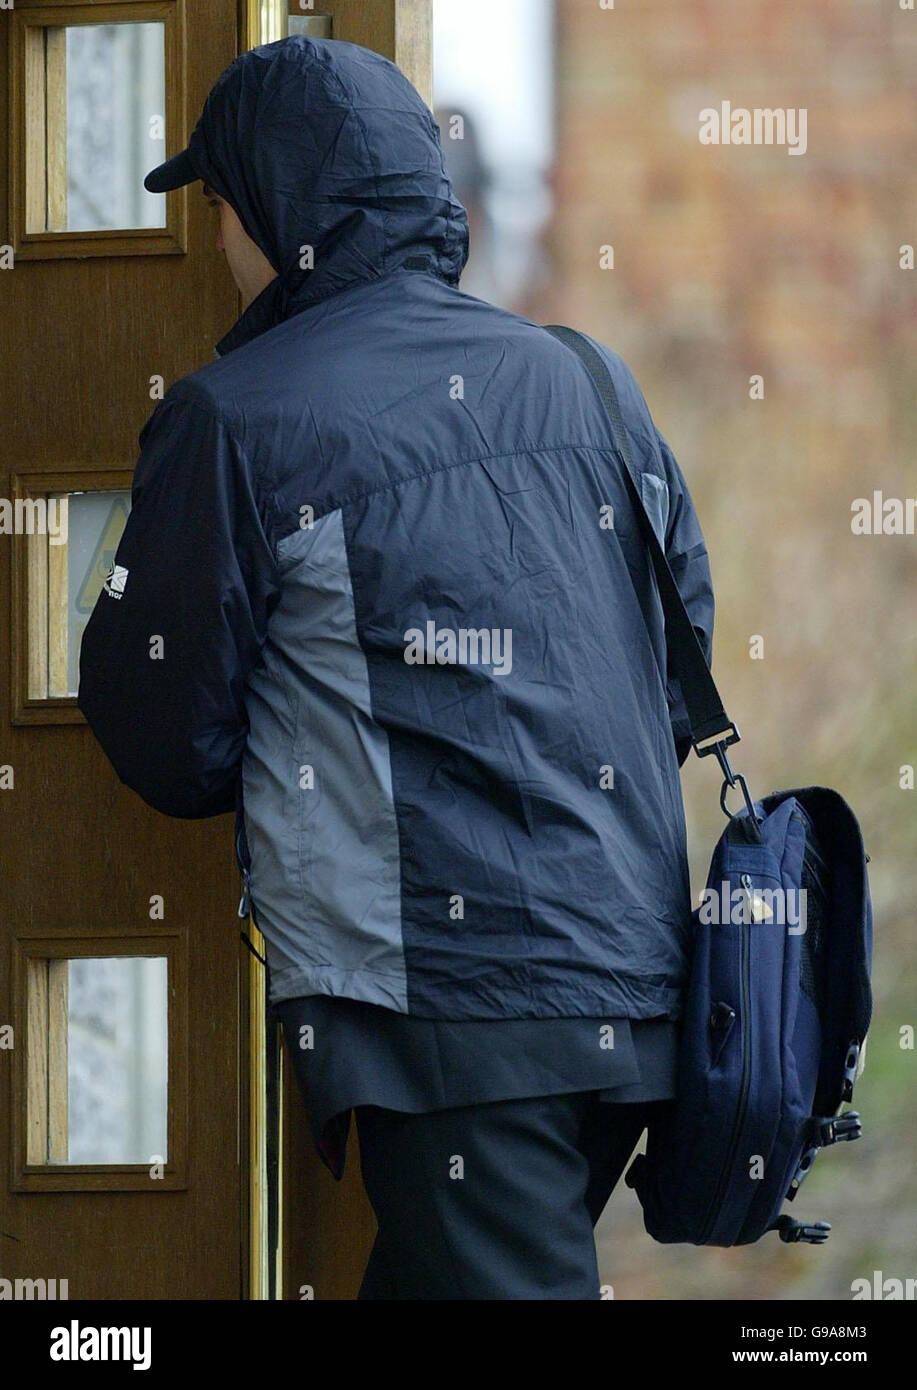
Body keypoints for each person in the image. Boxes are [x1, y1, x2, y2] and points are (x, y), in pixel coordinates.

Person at [78, 34, 714, 1301]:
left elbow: (163, 737)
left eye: (216, 205)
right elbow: (676, 636)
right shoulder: (585, 379)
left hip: (457, 1015)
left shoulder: (239, 417)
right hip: (638, 992)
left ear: (274, 205)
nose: (213, 241)